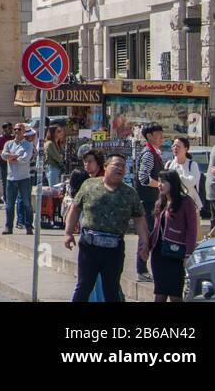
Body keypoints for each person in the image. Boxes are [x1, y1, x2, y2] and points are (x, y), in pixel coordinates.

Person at [64, 154, 150, 303]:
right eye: (116, 165)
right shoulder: (89, 185)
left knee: (111, 288)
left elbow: (140, 221)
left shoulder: (129, 193)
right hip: (89, 246)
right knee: (84, 285)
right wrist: (68, 233)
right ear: (105, 166)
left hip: (113, 248)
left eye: (123, 166)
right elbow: (75, 208)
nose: (120, 169)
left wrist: (145, 244)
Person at [150, 168, 198, 303]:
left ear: (173, 183)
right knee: (160, 293)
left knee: (175, 294)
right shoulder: (160, 202)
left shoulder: (186, 202)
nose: (160, 184)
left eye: (163, 181)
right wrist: (145, 247)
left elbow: (192, 230)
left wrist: (188, 254)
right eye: (159, 181)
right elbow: (155, 229)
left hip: (176, 254)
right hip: (158, 254)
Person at [64, 168, 104, 301]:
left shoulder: (78, 198)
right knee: (94, 279)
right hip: (92, 241)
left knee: (88, 280)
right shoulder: (86, 196)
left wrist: (68, 233)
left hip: (86, 240)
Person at [133, 123, 164, 281]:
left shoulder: (154, 152)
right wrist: (160, 185)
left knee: (150, 234)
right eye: (158, 134)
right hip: (147, 201)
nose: (161, 138)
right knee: (146, 235)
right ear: (150, 136)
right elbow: (144, 178)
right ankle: (141, 269)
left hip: (152, 200)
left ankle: (144, 268)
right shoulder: (148, 154)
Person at [1, 123, 35, 235]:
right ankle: (8, 227)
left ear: (24, 131)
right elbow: (3, 155)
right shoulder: (8, 144)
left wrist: (12, 157)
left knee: (27, 204)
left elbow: (25, 159)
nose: (16, 131)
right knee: (9, 204)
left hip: (24, 178)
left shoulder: (28, 145)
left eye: (19, 129)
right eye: (14, 129)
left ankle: (29, 226)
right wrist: (15, 157)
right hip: (11, 178)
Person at [165, 135, 203, 213]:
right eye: (174, 146)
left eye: (178, 146)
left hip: (190, 205)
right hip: (172, 205)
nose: (175, 148)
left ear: (186, 149)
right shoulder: (169, 164)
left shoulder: (192, 165)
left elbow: (191, 182)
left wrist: (176, 176)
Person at [0, 122, 13, 202]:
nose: (11, 130)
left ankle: (12, 197)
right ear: (4, 129)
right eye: (9, 128)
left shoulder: (13, 138)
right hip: (4, 162)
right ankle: (6, 198)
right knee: (5, 181)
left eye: (11, 128)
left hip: (13, 162)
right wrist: (6, 153)